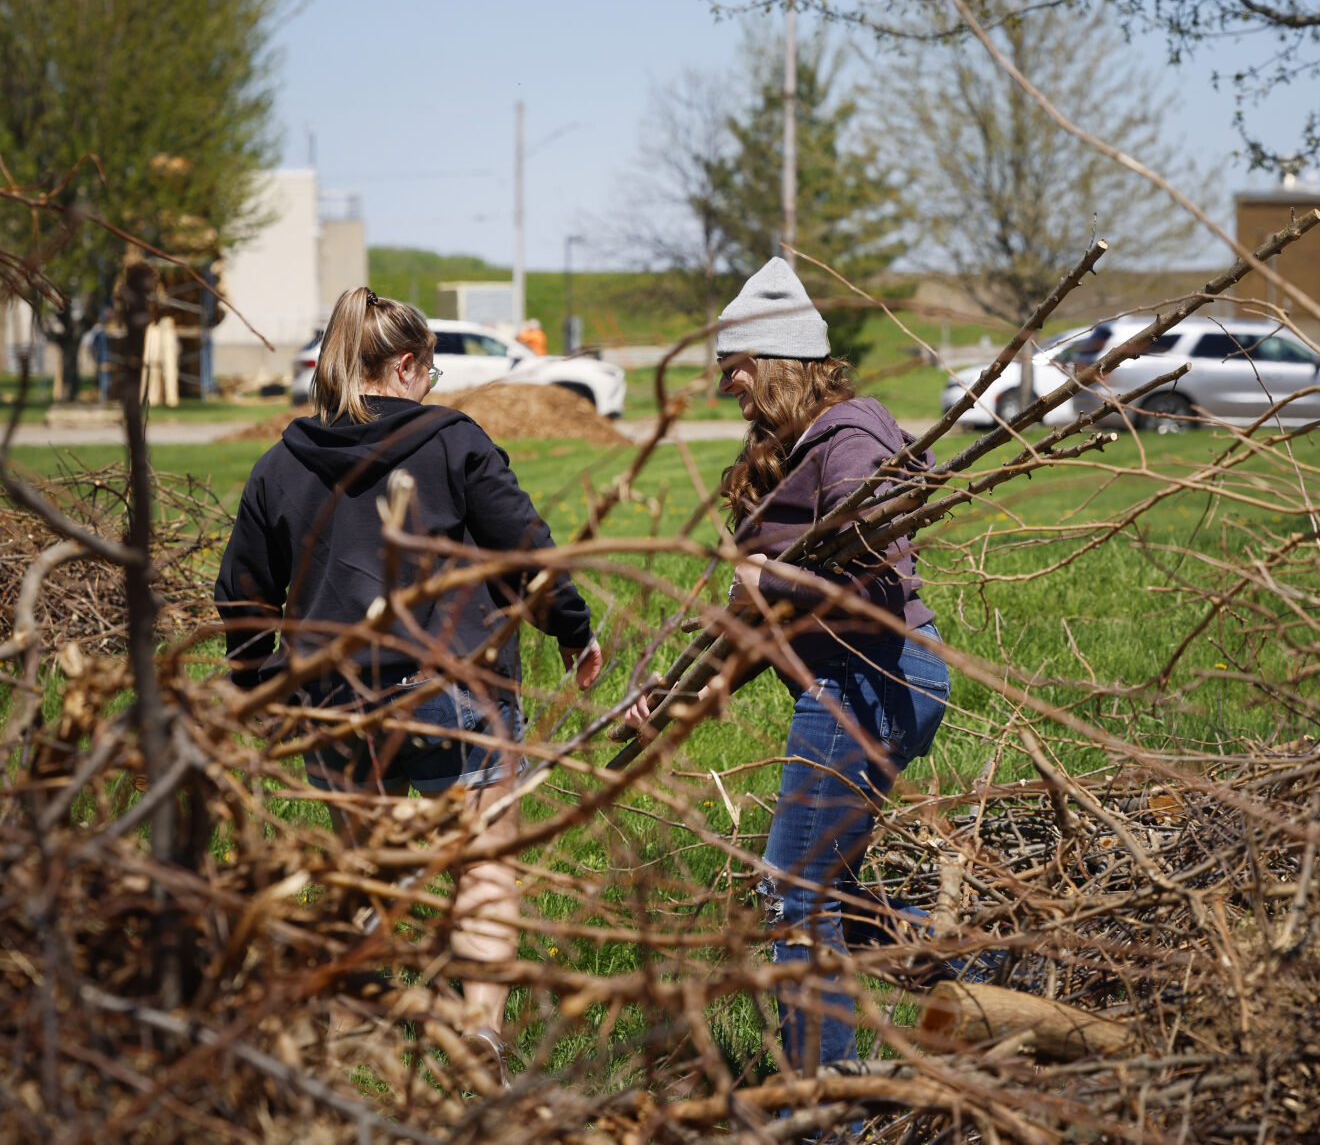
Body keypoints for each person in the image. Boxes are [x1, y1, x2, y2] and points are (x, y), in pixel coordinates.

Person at [214, 286, 603, 1074]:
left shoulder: (279, 465)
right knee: (483, 862)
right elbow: (525, 548)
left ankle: (362, 1031)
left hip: (333, 702)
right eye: (428, 370)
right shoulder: (453, 441)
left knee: (358, 867)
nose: (433, 386)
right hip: (456, 690)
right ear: (403, 364)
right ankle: (480, 1031)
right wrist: (570, 627)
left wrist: (259, 679)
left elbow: (243, 593)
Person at [628, 258, 949, 1074]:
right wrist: (677, 692)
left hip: (873, 677)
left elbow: (878, 542)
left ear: (776, 361)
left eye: (735, 365)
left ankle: (820, 1112)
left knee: (792, 894)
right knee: (819, 892)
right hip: (842, 682)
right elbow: (752, 624)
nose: (726, 381)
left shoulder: (849, 429)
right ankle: (960, 949)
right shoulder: (778, 454)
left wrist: (767, 577)